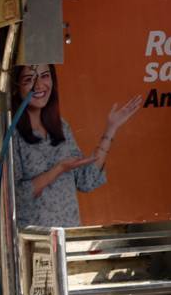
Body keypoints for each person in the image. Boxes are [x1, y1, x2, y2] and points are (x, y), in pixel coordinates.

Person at [12, 64, 141, 228]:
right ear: (16, 87)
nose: (39, 85)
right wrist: (58, 169)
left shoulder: (61, 126)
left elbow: (86, 180)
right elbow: (16, 197)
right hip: (32, 240)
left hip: (68, 236)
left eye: (45, 76)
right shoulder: (12, 135)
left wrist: (111, 128)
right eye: (29, 79)